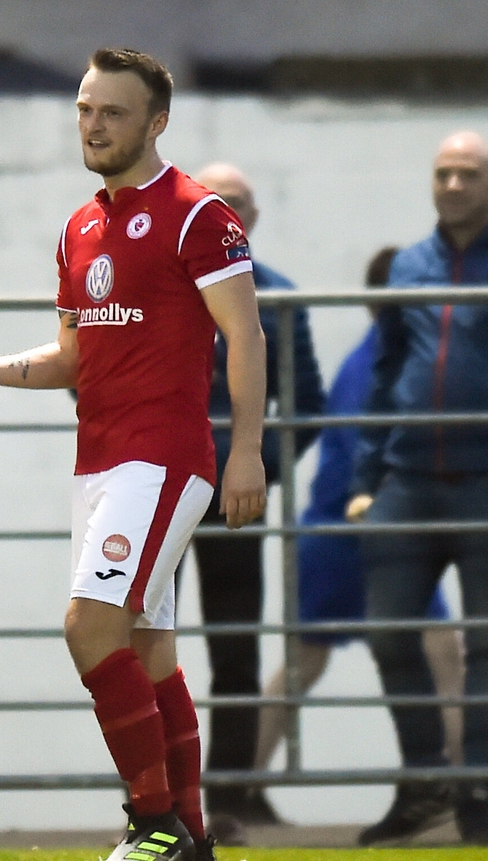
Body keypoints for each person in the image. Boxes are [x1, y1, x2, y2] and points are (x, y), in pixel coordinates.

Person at [0, 47, 267, 861]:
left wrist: (247, 449)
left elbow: (245, 335)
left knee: (88, 626)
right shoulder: (79, 226)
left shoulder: (198, 214)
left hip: (163, 459)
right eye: (84, 109)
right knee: (148, 650)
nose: (93, 126)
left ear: (157, 122)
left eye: (112, 112)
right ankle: (190, 837)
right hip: (99, 462)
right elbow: (72, 358)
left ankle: (152, 821)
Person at [251, 246, 488, 825]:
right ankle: (468, 784)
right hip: (360, 529)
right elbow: (380, 447)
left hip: (344, 528)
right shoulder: (392, 364)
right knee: (422, 655)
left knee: (328, 662)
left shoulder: (375, 359)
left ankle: (246, 782)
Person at [346, 131, 488, 846]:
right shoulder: (410, 264)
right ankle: (426, 778)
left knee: (487, 641)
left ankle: (478, 793)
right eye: (443, 173)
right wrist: (367, 476)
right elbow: (386, 371)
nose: (454, 185)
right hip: (407, 481)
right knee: (388, 630)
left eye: (468, 174)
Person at [183, 163, 325, 844]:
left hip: (234, 492)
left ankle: (228, 799)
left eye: (235, 203)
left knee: (235, 647)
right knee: (140, 639)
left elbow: (309, 403)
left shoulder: (278, 297)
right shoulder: (160, 279)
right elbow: (93, 371)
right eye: (213, 201)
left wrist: (259, 466)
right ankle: (153, 796)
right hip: (154, 482)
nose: (225, 213)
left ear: (255, 217)